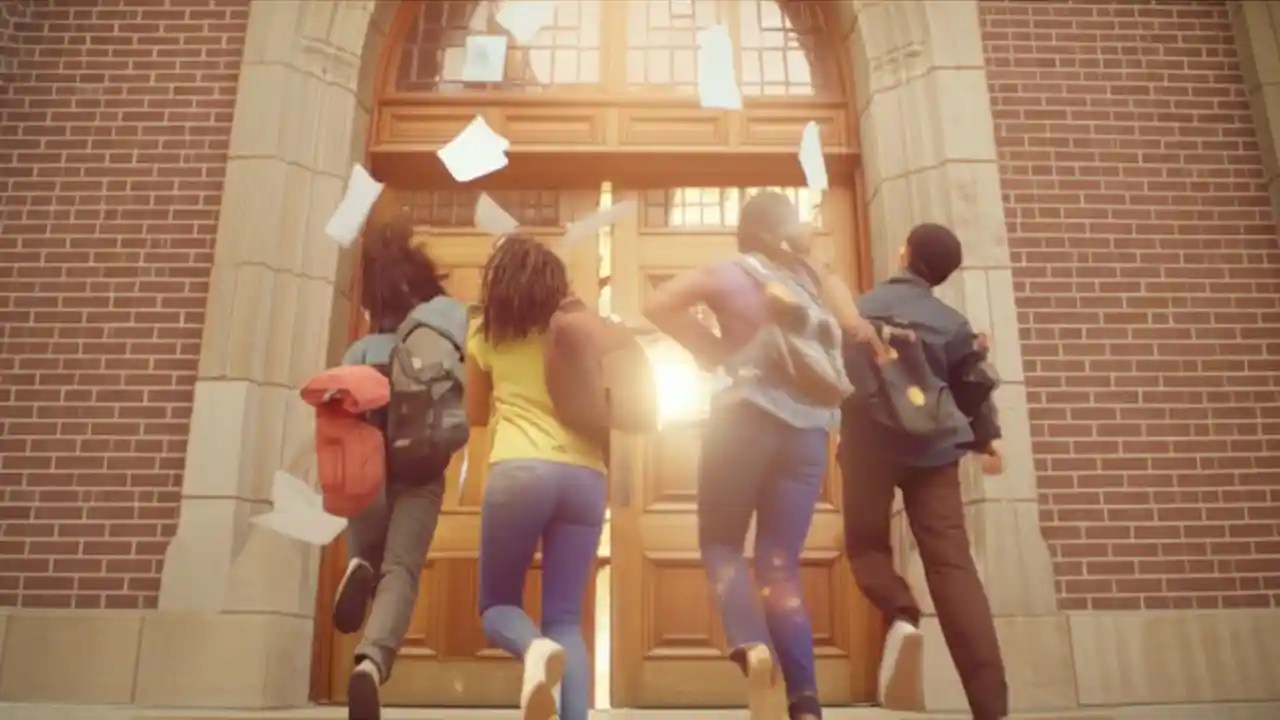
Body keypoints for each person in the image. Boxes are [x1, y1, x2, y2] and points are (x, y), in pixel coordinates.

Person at [643, 191, 849, 720]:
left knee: (720, 543)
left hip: (743, 421)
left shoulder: (729, 273)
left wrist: (709, 348)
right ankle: (805, 700)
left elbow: (658, 303)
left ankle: (752, 645)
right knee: (780, 564)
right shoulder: (812, 283)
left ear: (746, 232)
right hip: (807, 435)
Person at [838, 223, 1008, 720]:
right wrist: (987, 441)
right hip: (934, 453)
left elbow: (835, 378)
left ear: (904, 253)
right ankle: (991, 708)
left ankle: (902, 613)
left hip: (868, 448)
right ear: (943, 274)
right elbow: (973, 387)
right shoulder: (952, 324)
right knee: (953, 567)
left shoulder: (860, 309)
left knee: (866, 546)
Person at [332, 215, 469, 720]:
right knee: (402, 569)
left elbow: (335, 422)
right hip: (422, 467)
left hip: (367, 464)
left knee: (369, 546)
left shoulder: (360, 351)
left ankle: (357, 563)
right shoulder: (436, 339)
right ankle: (371, 662)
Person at [467, 233, 606, 720]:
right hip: (586, 476)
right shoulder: (579, 327)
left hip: (520, 469)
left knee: (497, 607)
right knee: (565, 620)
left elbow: (475, 413)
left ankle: (533, 650)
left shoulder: (485, 334)